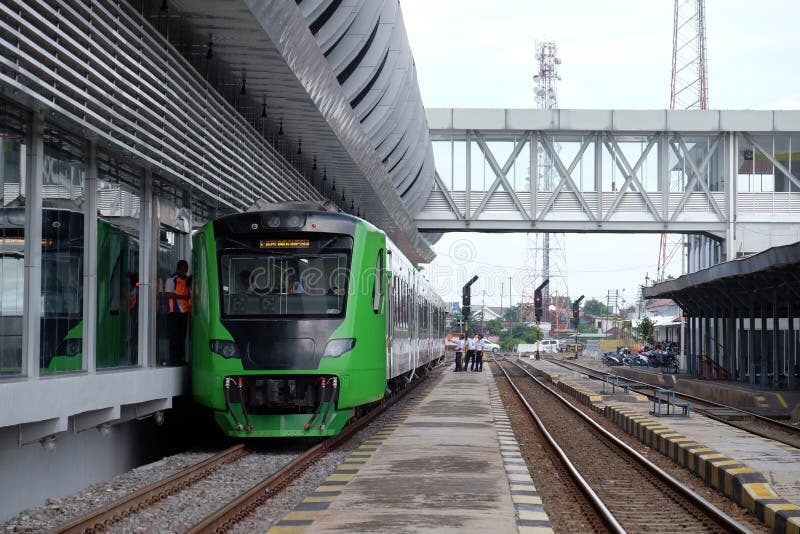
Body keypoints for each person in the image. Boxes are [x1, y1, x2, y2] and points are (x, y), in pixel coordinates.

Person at [162, 259, 191, 365]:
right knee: (174, 336)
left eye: (186, 271)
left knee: (182, 337)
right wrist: (183, 297)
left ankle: (180, 359)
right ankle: (173, 359)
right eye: (183, 270)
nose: (185, 273)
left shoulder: (187, 280)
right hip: (174, 312)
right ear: (178, 268)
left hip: (184, 312)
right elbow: (168, 294)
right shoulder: (172, 279)